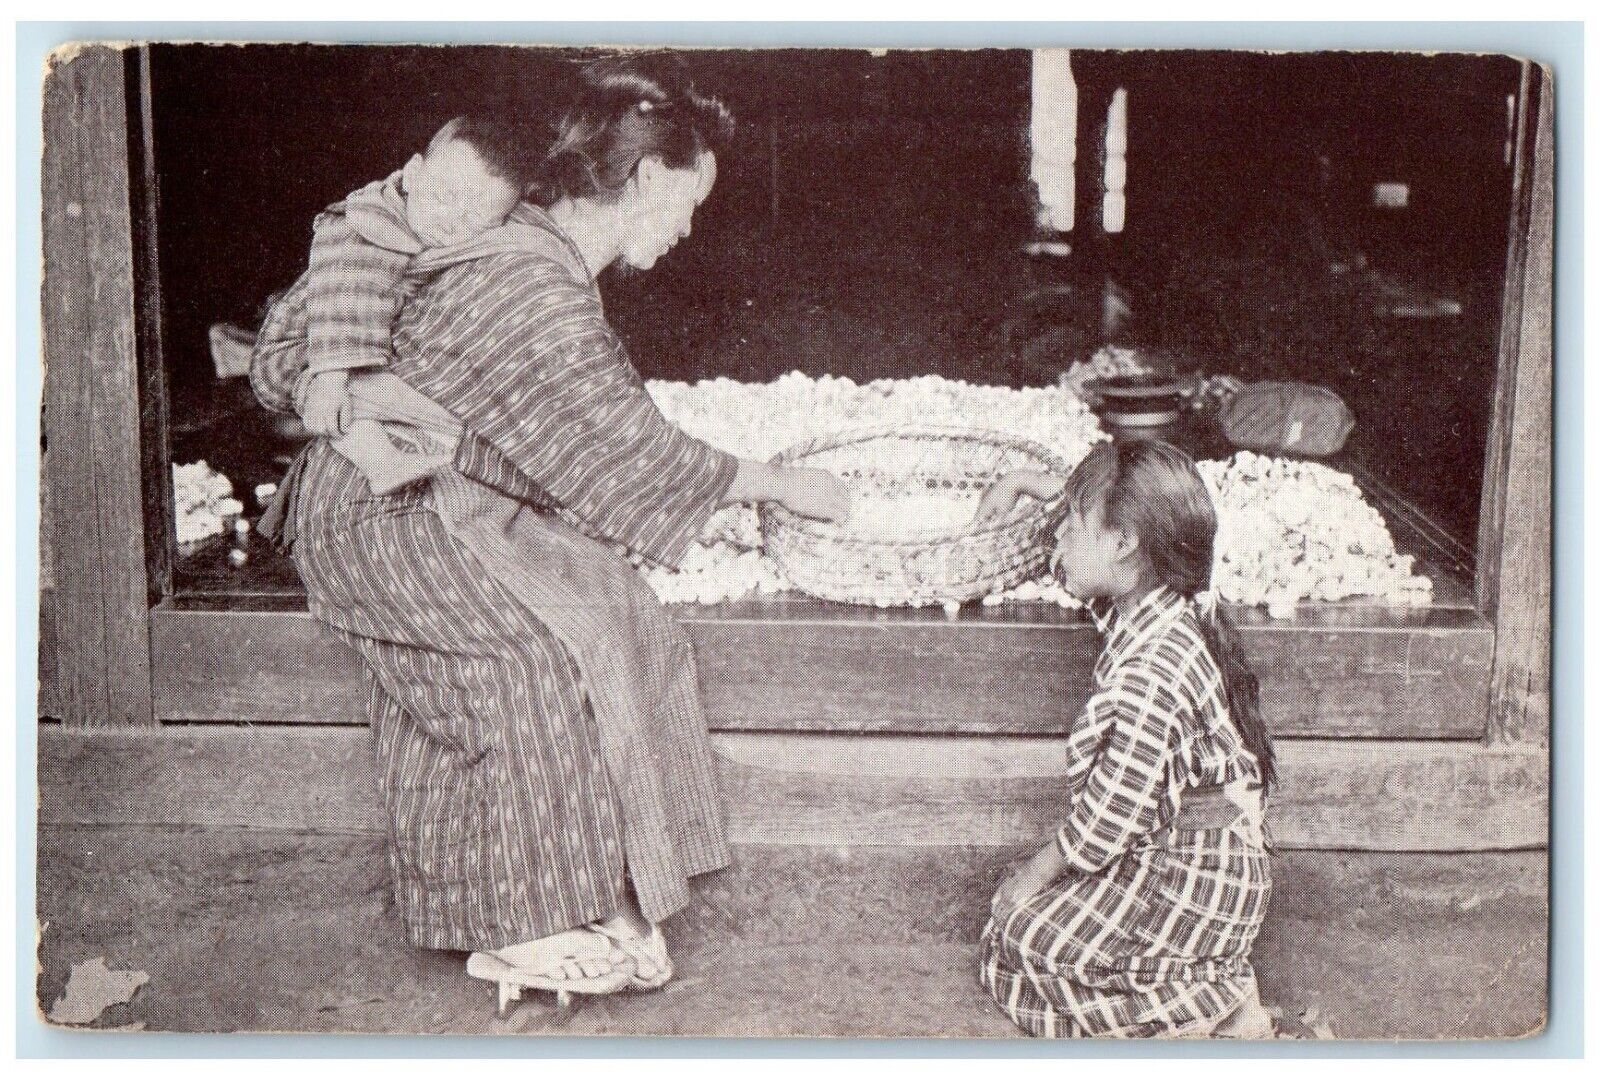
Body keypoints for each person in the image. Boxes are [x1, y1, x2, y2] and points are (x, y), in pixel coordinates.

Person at [249, 54, 850, 1002]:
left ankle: (598, 893)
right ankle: (525, 923)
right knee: (537, 654)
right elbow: (622, 441)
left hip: (444, 506)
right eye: (694, 197)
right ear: (650, 177)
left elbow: (578, 432)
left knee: (622, 613)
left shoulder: (537, 256)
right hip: (383, 515)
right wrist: (778, 483)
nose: (693, 224)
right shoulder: (530, 278)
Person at [971, 439, 1276, 1038]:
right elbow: (1097, 563)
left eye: (1071, 526)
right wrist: (1035, 487)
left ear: (1123, 542)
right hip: (1174, 856)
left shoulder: (1152, 673)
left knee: (1016, 937)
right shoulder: (1161, 606)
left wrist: (1032, 875)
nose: (1057, 540)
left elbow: (1107, 818)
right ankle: (1201, 987)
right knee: (1020, 933)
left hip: (1193, 880)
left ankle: (1211, 1002)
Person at [253, 110, 541, 495]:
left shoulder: (425, 229)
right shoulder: (367, 224)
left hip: (351, 350)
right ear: (413, 173)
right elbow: (344, 296)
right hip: (300, 352)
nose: (451, 220)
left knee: (386, 390)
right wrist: (331, 374)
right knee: (349, 397)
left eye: (476, 220)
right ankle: (382, 463)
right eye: (444, 197)